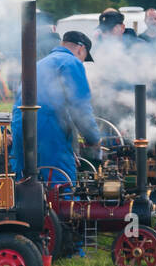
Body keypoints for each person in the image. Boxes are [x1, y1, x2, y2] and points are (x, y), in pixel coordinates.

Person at [10, 31, 102, 189]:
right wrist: (93, 138)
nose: (82, 61)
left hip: (21, 125)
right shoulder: (71, 62)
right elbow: (80, 106)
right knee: (60, 184)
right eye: (84, 57)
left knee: (23, 184)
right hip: (48, 127)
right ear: (81, 49)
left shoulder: (40, 63)